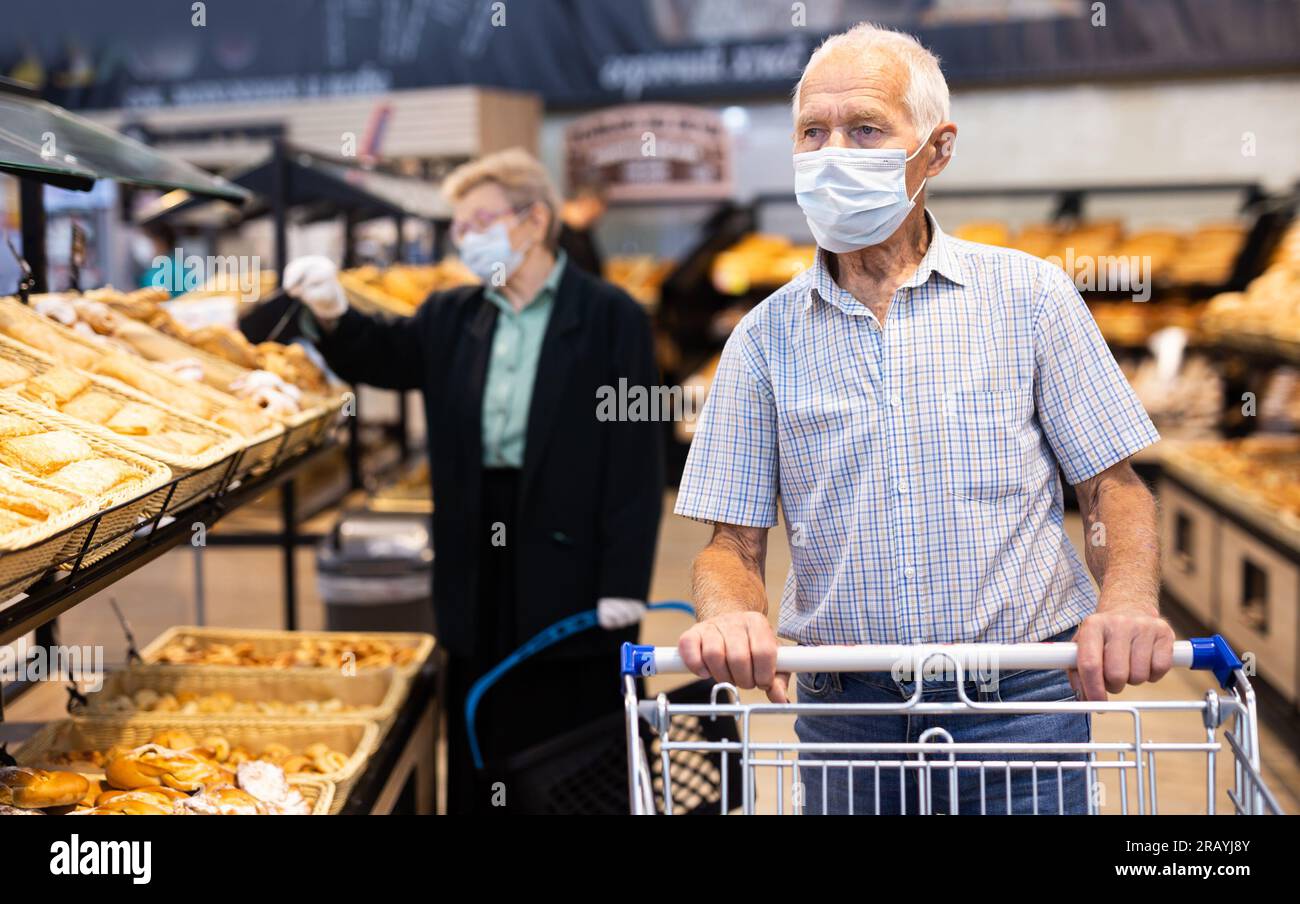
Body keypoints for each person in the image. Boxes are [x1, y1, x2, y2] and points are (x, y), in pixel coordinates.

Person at [673, 23, 1172, 815]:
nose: (834, 151)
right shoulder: (762, 339)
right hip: (849, 713)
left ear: (935, 151)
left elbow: (1113, 488)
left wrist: (1127, 600)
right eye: (814, 132)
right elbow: (730, 546)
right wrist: (731, 614)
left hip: (1023, 706)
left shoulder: (1031, 298)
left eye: (865, 128)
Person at [283, 148, 663, 814]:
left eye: (480, 220)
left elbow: (637, 459)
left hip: (568, 542)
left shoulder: (612, 318)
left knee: (566, 726)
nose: (466, 237)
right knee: (484, 709)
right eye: (459, 226)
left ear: (533, 220)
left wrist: (624, 584)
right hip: (474, 540)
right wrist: (335, 311)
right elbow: (387, 356)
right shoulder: (453, 314)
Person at [556, 182, 607, 276]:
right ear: (587, 202)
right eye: (601, 205)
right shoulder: (555, 234)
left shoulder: (584, 232)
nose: (601, 213)